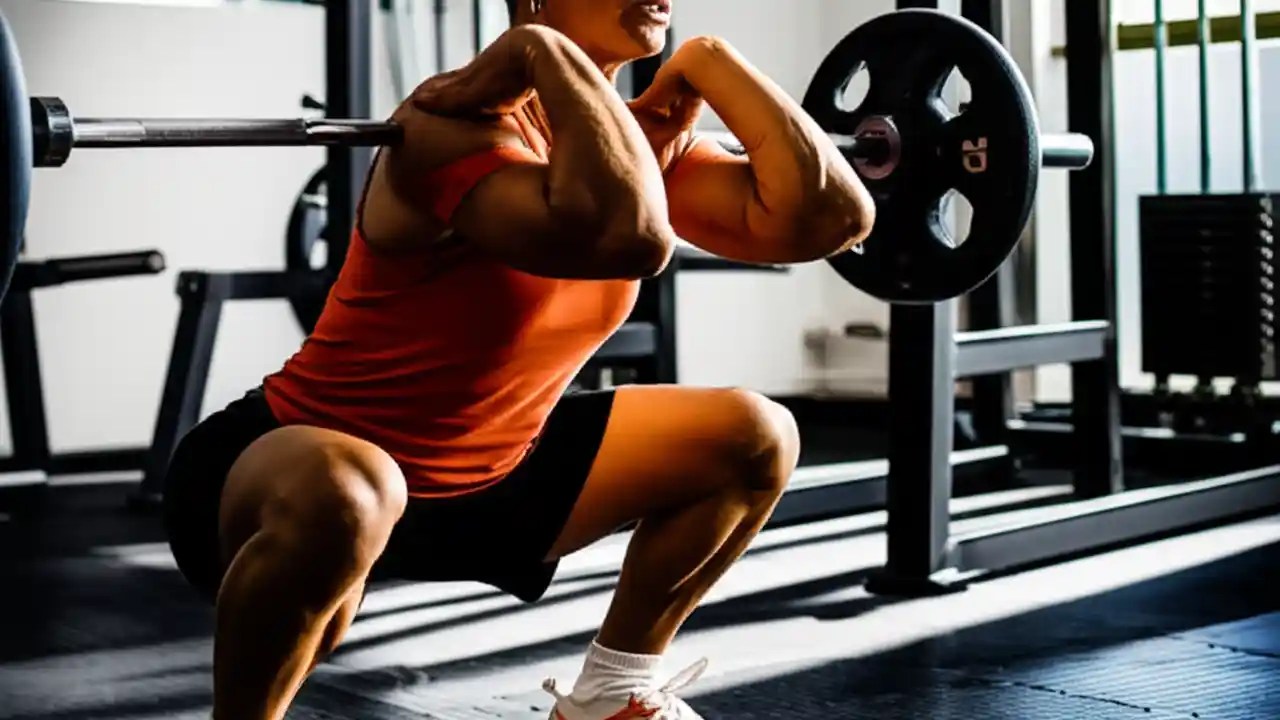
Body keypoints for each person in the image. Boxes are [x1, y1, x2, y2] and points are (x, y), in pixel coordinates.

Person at [161, 0, 875, 718]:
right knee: (355, 489)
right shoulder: (451, 122)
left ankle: (613, 692)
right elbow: (629, 238)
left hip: (489, 480)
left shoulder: (636, 143)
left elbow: (835, 219)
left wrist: (710, 61)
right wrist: (537, 50)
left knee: (754, 436)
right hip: (297, 477)